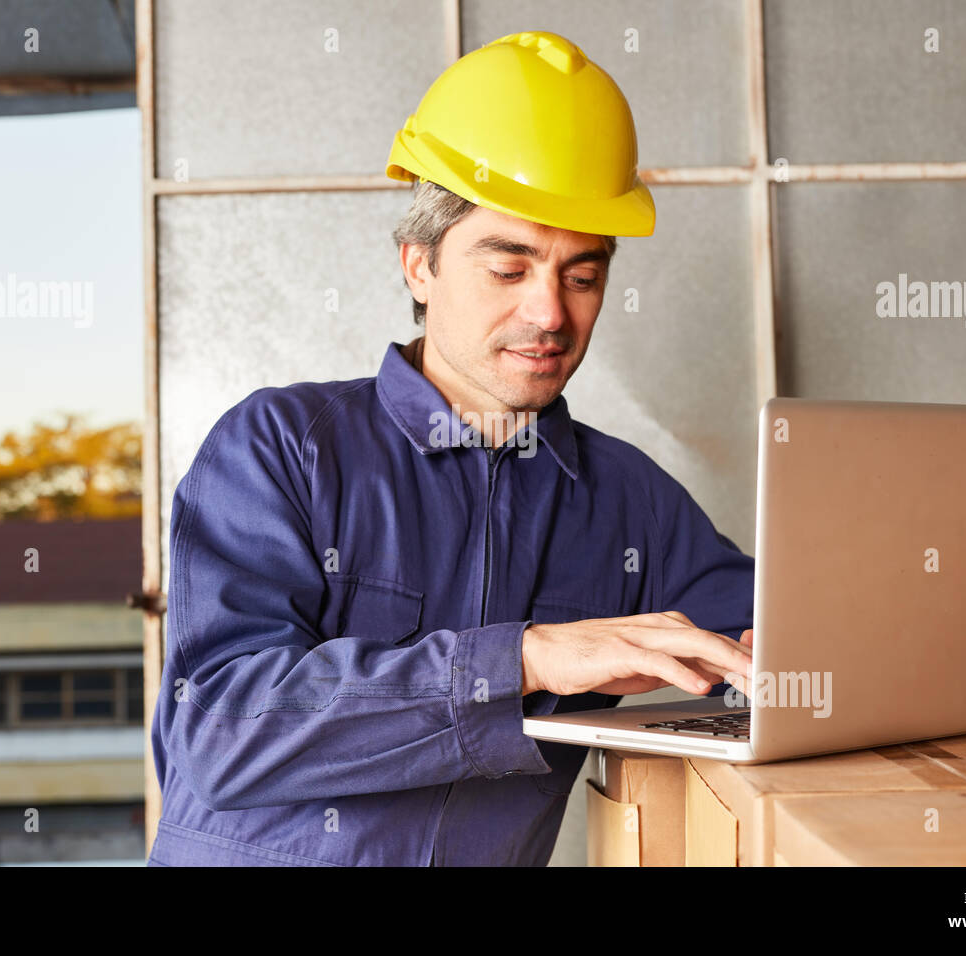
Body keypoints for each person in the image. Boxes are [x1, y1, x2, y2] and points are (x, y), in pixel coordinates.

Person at [147, 30, 754, 867]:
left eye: (582, 275)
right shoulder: (283, 449)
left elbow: (783, 646)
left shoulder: (630, 504)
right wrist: (529, 655)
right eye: (509, 268)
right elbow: (222, 730)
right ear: (419, 265)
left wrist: (785, 663)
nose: (550, 314)